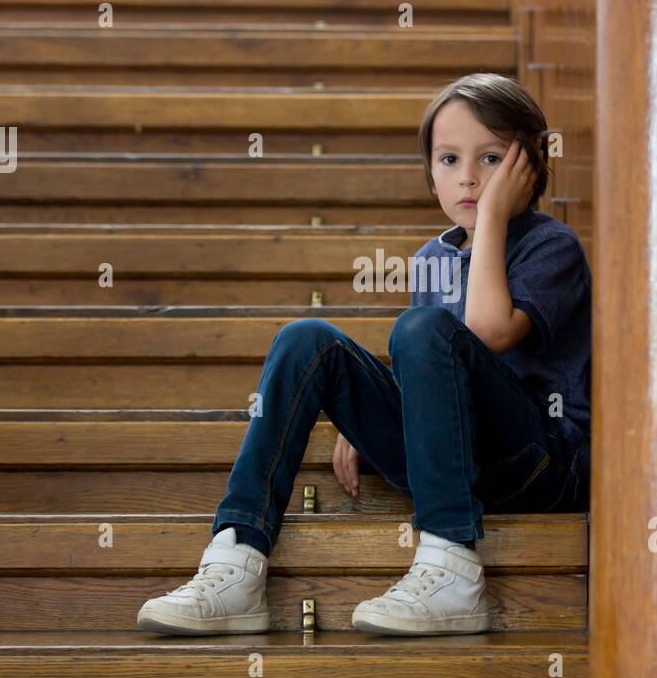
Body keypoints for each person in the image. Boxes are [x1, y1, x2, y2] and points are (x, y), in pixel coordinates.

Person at [137, 72, 591, 636]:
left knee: (419, 327)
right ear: (429, 173)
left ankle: (451, 565)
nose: (469, 177)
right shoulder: (434, 257)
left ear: (530, 167)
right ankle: (236, 559)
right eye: (449, 159)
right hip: (447, 460)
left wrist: (495, 217)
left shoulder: (553, 246)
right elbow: (439, 376)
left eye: (492, 158)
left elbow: (485, 332)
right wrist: (375, 410)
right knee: (305, 338)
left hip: (535, 467)